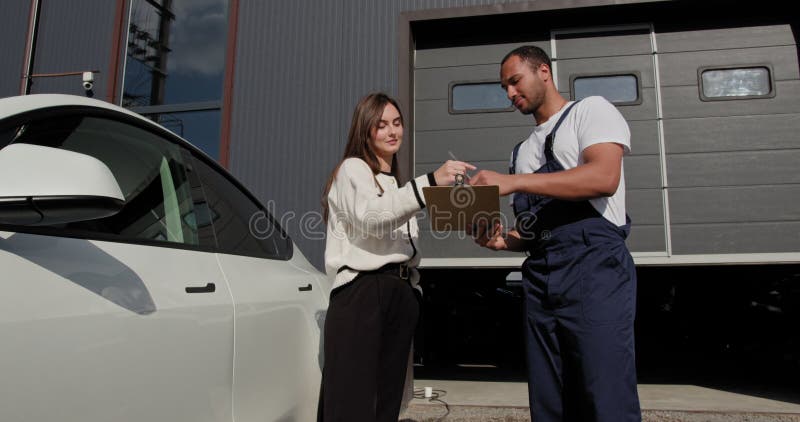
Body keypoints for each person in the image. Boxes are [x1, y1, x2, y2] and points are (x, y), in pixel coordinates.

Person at [468, 46, 641, 421]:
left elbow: (603, 177)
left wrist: (513, 183)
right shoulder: (521, 152)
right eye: (504, 88)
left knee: (604, 393)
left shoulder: (590, 111)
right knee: (551, 400)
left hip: (594, 268)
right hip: (541, 277)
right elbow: (532, 233)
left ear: (543, 71)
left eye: (515, 82)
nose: (510, 94)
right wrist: (502, 241)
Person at [319, 92, 475, 422]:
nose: (392, 131)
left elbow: (404, 241)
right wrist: (430, 182)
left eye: (397, 123)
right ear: (365, 131)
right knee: (353, 404)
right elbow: (372, 219)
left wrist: (471, 213)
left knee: (387, 404)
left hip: (400, 293)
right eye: (381, 125)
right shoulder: (352, 169)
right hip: (362, 293)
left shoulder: (397, 185)